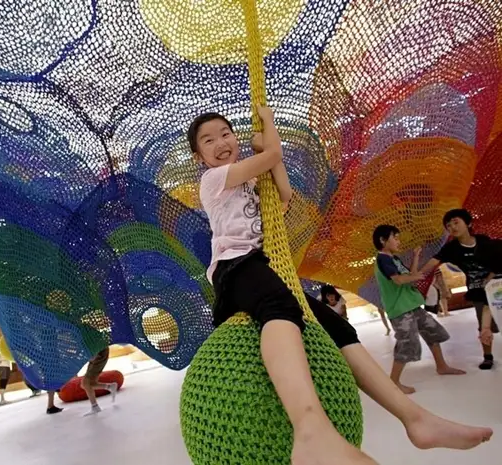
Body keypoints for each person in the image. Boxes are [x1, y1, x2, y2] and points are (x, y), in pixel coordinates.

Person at [190, 108, 491, 464]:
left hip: (266, 268)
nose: (221, 143)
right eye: (209, 140)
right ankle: (309, 427)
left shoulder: (254, 184)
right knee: (280, 309)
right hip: (235, 268)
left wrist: (267, 155)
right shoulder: (213, 180)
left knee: (335, 327)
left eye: (225, 133)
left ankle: (415, 419)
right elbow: (272, 155)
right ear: (199, 156)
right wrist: (268, 129)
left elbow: (283, 193)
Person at [373, 224, 465, 394]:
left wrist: (416, 257)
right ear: (383, 240)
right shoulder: (383, 259)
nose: (398, 241)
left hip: (412, 305)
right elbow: (398, 280)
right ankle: (393, 383)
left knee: (432, 331)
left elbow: (410, 276)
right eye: (396, 237)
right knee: (406, 344)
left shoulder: (394, 259)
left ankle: (442, 366)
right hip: (400, 309)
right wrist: (413, 276)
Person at [419, 209, 501, 369]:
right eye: (449, 226)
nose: (452, 227)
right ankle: (488, 356)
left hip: (496, 285)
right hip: (477, 289)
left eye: (456, 222)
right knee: (484, 325)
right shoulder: (452, 248)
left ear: (468, 223)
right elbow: (434, 261)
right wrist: (416, 275)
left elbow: (498, 261)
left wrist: (490, 277)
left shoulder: (484, 241)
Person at [81, 347, 118, 416]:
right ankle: (110, 386)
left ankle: (95, 407)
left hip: (98, 355)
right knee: (87, 384)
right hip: (98, 354)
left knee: (86, 383)